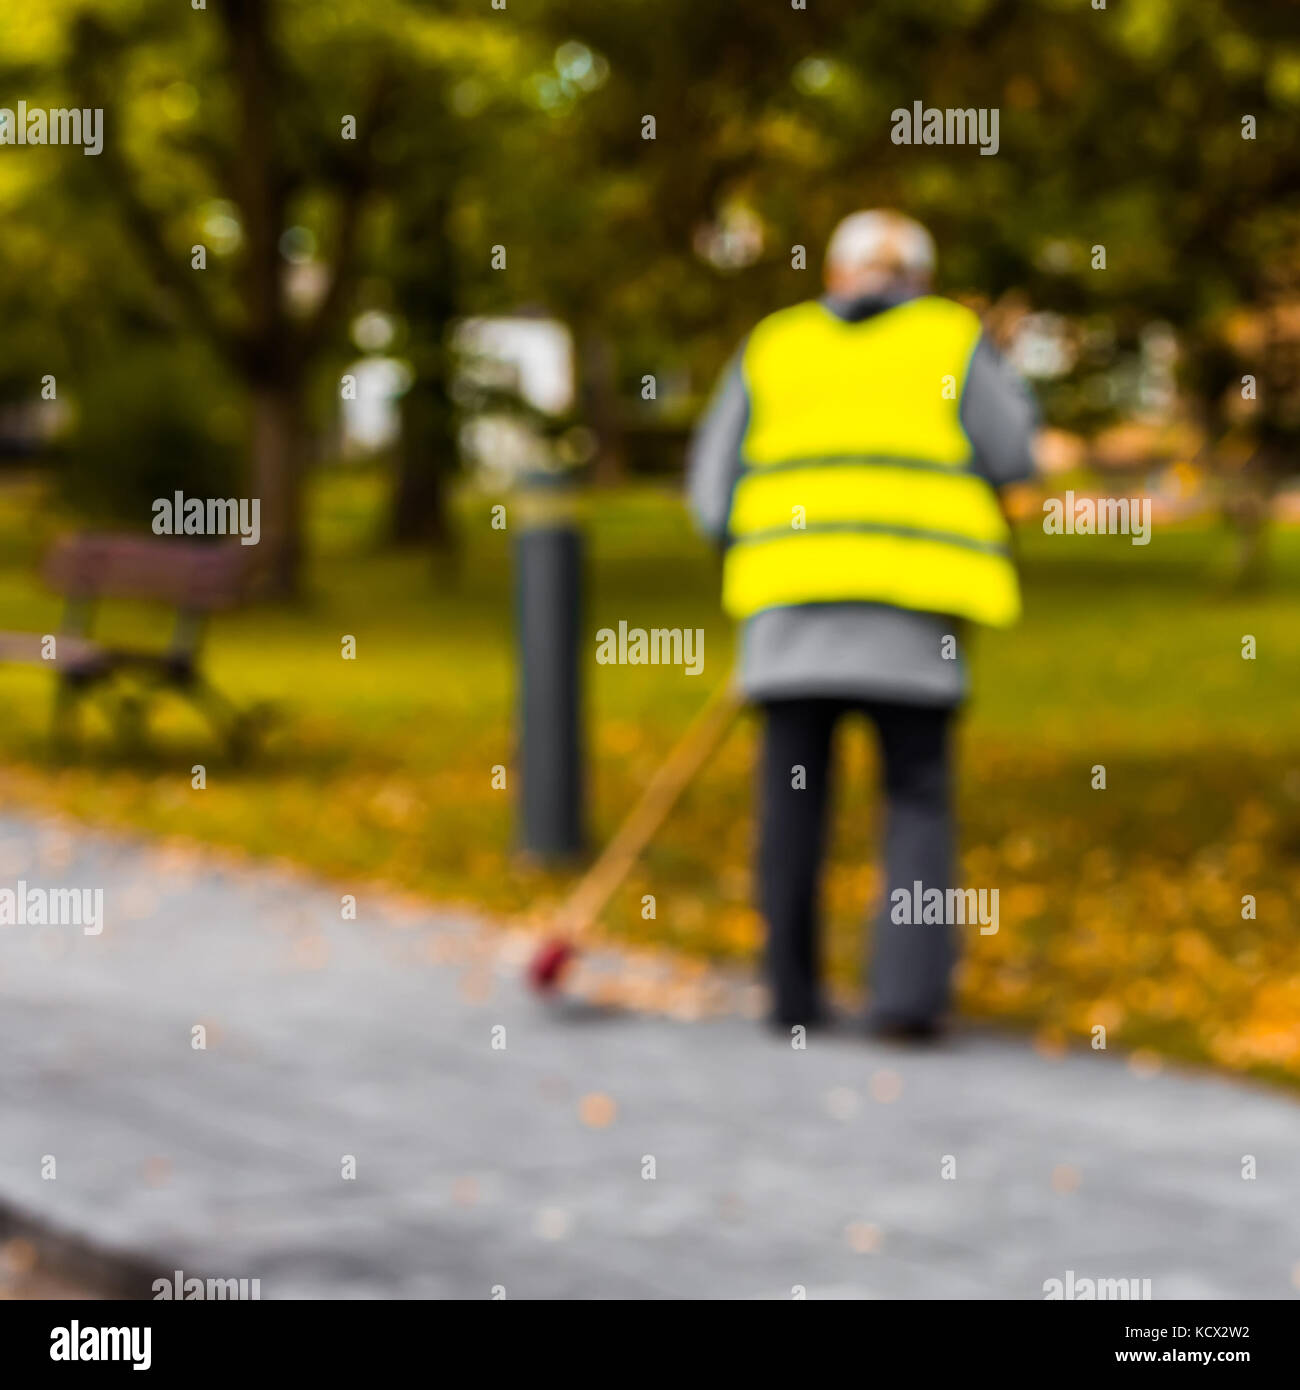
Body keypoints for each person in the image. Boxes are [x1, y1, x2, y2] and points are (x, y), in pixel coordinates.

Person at [686, 209, 1037, 1039]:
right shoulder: (951, 340)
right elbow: (1015, 453)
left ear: (837, 273)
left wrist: (755, 559)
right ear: (919, 274)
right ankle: (907, 1003)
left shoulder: (776, 344)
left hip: (790, 618)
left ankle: (791, 998)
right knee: (916, 799)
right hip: (915, 619)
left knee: (792, 803)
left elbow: (710, 490)